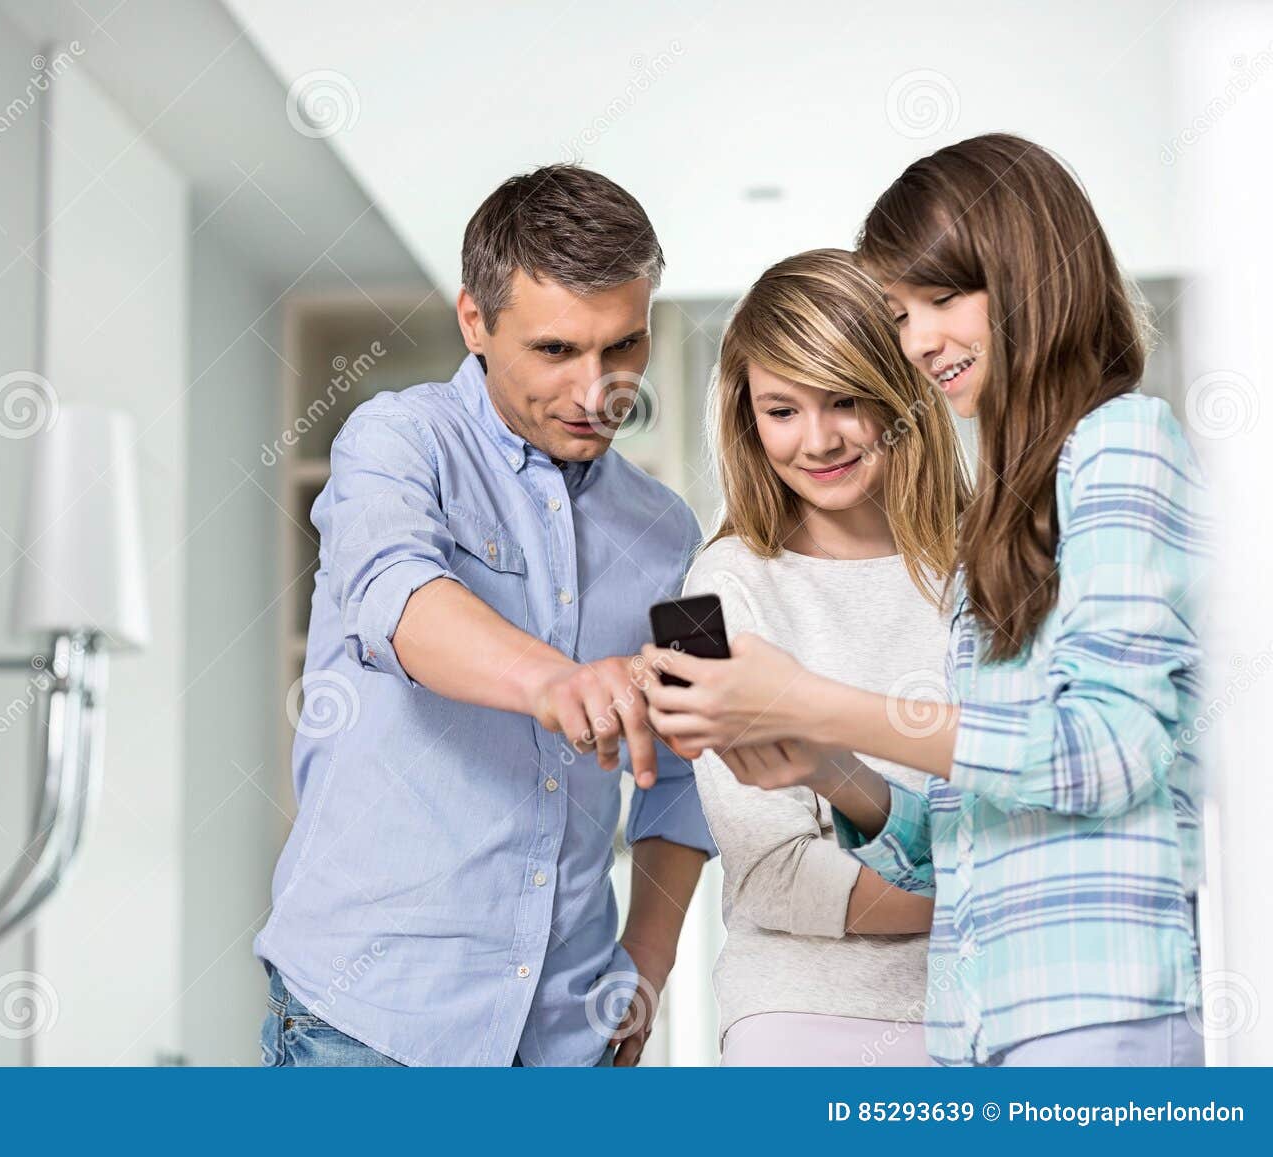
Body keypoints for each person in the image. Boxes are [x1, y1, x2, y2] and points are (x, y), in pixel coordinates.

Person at [643, 134, 1207, 1066]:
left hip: (1088, 1013)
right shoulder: (1010, 520)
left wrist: (813, 703)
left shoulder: (1117, 447)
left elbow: (1108, 751)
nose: (921, 339)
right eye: (906, 313)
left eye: (942, 300)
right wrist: (829, 763)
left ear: (1031, 278)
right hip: (977, 1028)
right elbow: (969, 833)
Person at [255, 164, 715, 1067]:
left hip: (568, 1034)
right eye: (556, 350)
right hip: (368, 1025)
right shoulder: (393, 441)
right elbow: (393, 595)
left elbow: (686, 771)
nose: (598, 391)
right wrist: (554, 680)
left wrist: (648, 966)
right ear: (475, 320)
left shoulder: (673, 532)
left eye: (624, 346)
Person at [684, 249, 969, 1066]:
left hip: (994, 1015)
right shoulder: (713, 590)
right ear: (746, 417)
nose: (817, 440)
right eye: (781, 410)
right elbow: (773, 873)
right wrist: (991, 888)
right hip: (802, 1020)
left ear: (901, 393)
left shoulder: (991, 562)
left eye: (846, 399)